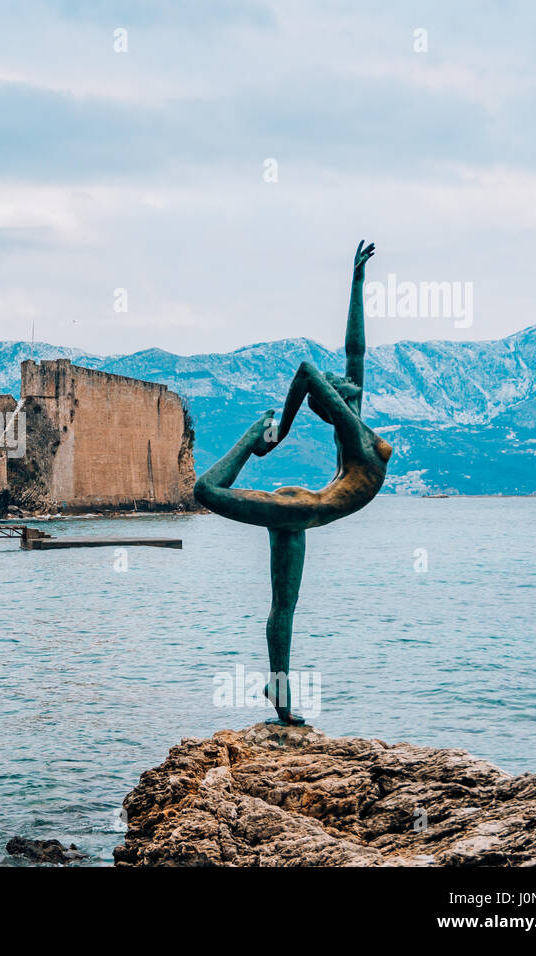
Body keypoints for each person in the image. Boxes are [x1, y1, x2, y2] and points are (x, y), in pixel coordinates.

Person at [193, 241, 392, 724]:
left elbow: (355, 350)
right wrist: (275, 431)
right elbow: (307, 372)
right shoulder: (353, 431)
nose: (345, 379)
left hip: (303, 509)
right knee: (205, 492)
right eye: (339, 384)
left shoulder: (355, 425)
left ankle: (278, 693)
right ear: (333, 402)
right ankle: (248, 437)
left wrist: (357, 282)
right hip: (301, 508)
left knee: (285, 605)